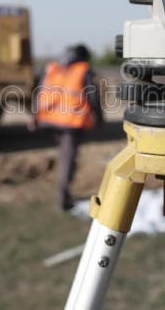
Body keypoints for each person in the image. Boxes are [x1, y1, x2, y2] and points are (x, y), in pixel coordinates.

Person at [33, 44, 102, 211]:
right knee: (67, 159)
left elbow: (40, 92)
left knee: (65, 156)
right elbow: (92, 97)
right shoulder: (83, 70)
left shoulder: (53, 68)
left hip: (49, 120)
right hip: (70, 122)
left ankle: (63, 191)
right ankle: (63, 197)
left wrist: (35, 116)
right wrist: (99, 118)